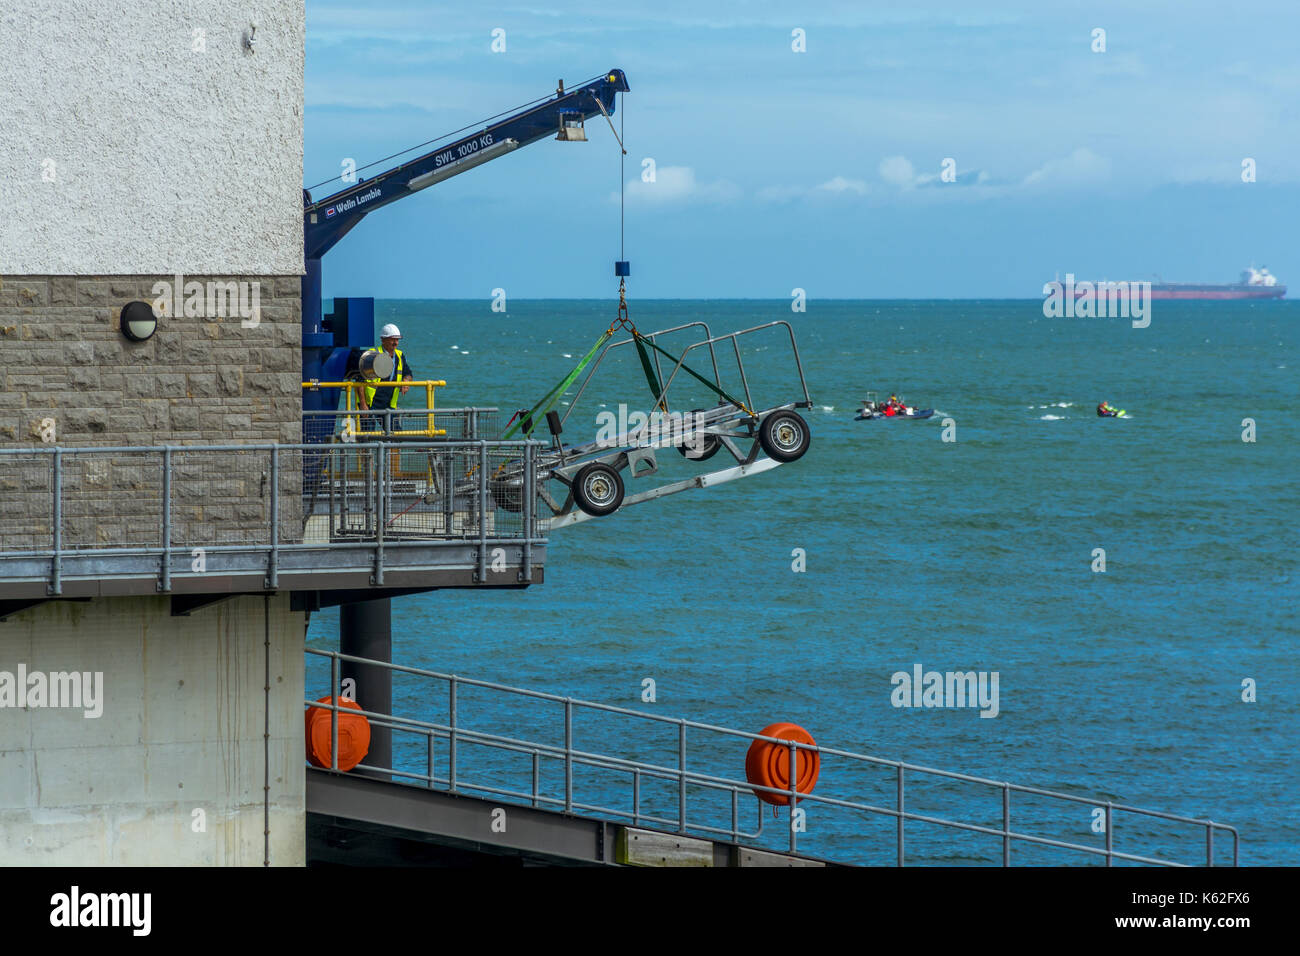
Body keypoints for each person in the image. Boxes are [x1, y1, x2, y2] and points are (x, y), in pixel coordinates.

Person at [360, 324, 415, 434]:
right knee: (367, 437)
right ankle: (366, 451)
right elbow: (360, 379)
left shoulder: (399, 356)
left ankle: (391, 451)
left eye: (397, 340)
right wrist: (363, 403)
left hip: (388, 403)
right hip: (370, 403)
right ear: (383, 339)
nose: (395, 343)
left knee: (396, 435)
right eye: (392, 340)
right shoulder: (372, 354)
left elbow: (408, 373)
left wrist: (406, 381)